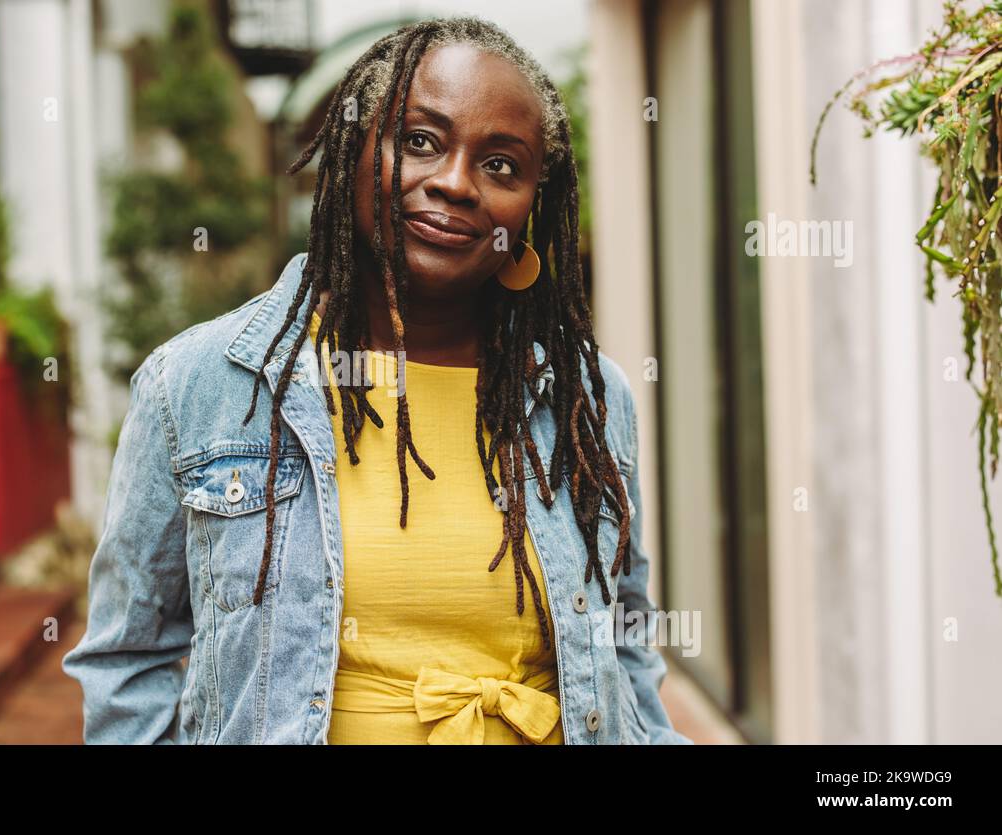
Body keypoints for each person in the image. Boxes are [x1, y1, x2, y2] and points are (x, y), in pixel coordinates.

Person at [62, 16, 692, 745]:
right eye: (421, 141)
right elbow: (128, 658)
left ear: (530, 211)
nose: (455, 183)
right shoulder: (202, 385)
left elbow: (626, 647)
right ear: (351, 152)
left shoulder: (589, 397)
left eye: (501, 165)